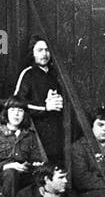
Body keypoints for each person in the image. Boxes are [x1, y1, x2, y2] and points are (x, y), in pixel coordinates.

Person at [13, 36, 66, 166]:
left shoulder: (57, 74)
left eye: (47, 50)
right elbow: (17, 102)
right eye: (40, 50)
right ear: (33, 53)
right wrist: (45, 108)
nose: (44, 54)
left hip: (57, 127)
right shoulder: (28, 74)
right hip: (35, 127)